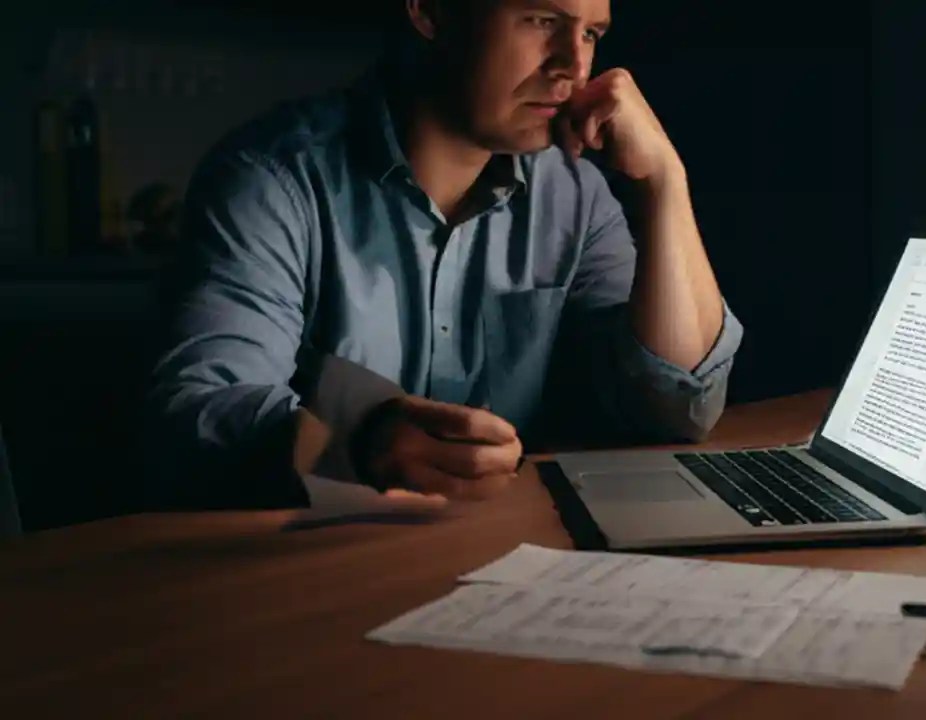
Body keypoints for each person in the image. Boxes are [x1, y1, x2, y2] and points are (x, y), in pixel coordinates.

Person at [144, 0, 743, 511]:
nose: (575, 66)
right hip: (301, 572)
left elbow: (676, 407)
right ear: (430, 9)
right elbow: (198, 411)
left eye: (590, 33)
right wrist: (360, 441)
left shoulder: (574, 194)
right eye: (540, 19)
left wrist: (665, 182)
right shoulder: (274, 180)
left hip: (489, 563)